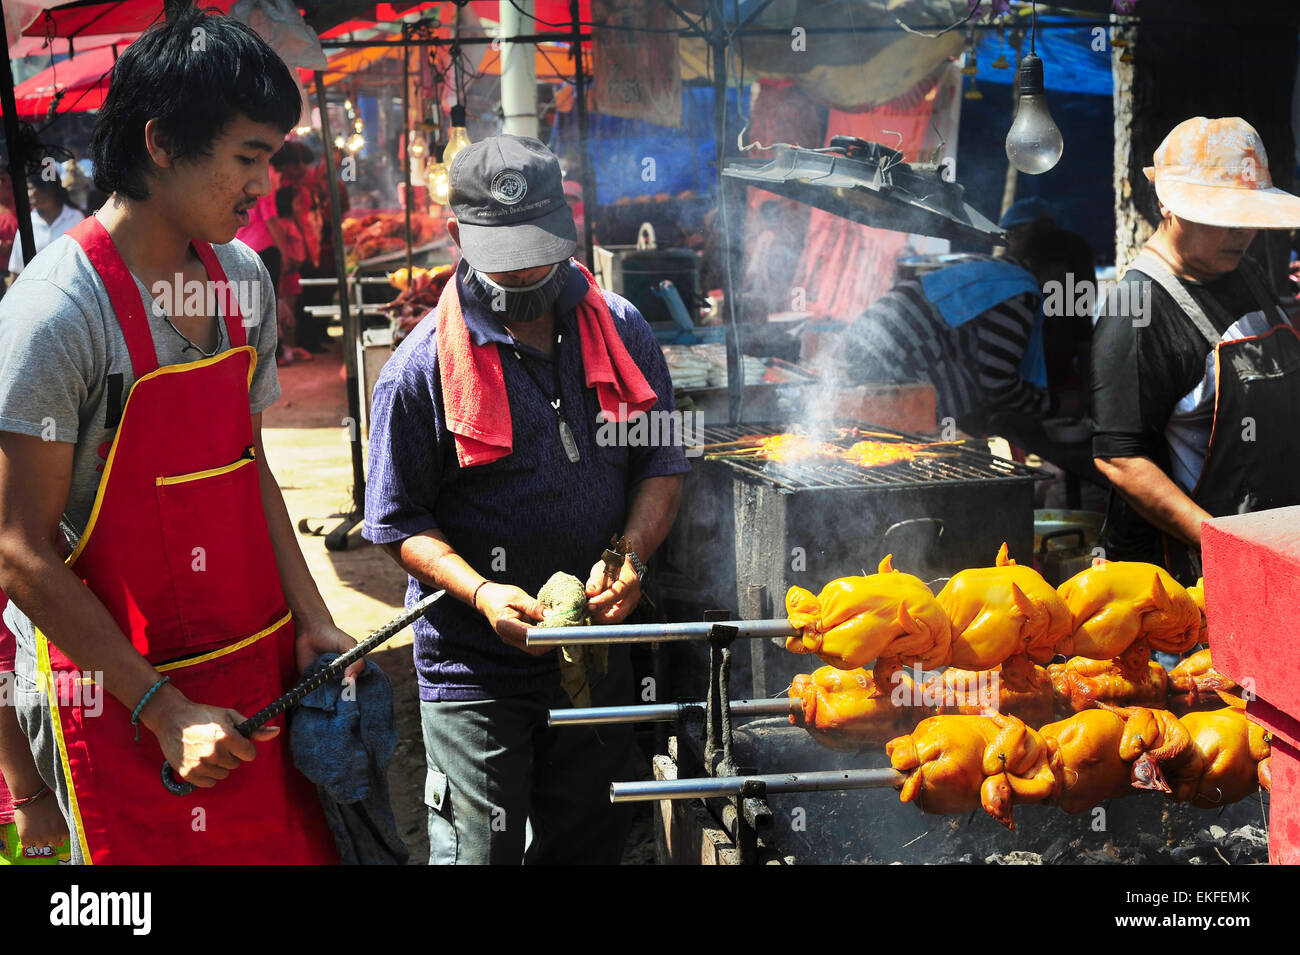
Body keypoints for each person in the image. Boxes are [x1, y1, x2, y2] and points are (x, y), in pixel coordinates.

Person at [0, 8, 354, 864]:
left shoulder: (239, 280)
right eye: (248, 157)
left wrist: (314, 620)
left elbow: (249, 466)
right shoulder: (56, 312)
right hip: (112, 696)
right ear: (161, 143)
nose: (263, 186)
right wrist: (161, 708)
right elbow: (19, 552)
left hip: (248, 673)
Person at [364, 134, 689, 865]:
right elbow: (397, 521)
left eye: (539, 246)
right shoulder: (417, 372)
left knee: (589, 846)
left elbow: (662, 461)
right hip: (475, 667)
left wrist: (631, 555)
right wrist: (480, 592)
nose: (525, 269)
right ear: (456, 237)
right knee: (479, 854)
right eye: (503, 251)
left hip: (595, 651)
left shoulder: (625, 329)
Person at [1092, 116, 1300, 584]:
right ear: (1170, 205)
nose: (1240, 233)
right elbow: (1120, 460)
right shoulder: (1136, 311)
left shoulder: (1242, 271)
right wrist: (1224, 548)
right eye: (1220, 216)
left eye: (1245, 216)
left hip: (1279, 554)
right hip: (1194, 581)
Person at [7, 172, 83, 279]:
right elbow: (17, 268)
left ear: (49, 189)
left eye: (31, 188)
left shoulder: (75, 217)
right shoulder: (27, 222)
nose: (29, 194)